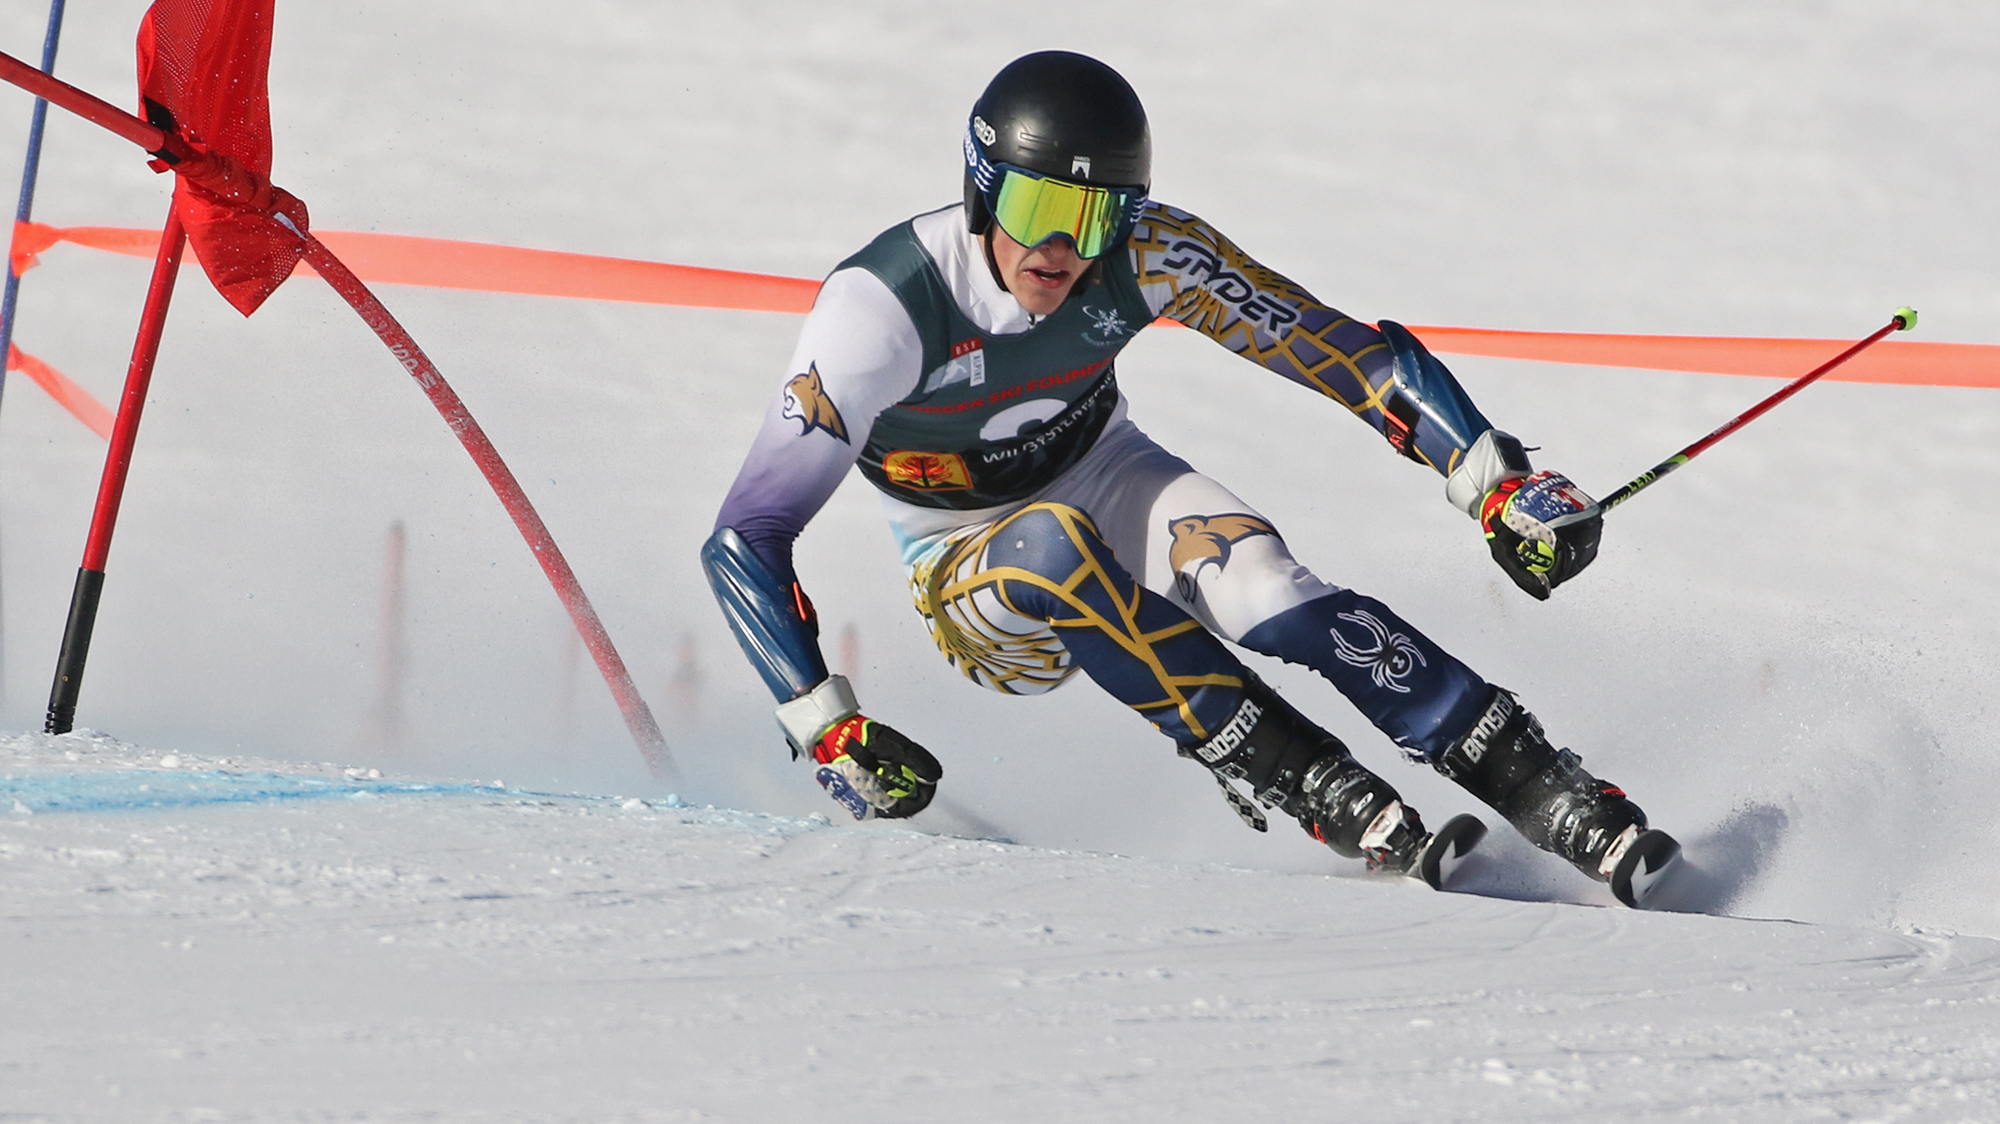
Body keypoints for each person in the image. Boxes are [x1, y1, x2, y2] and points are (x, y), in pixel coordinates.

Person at [703, 50, 1664, 894]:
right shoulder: (881, 310)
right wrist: (825, 725)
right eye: (1037, 209)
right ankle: (1301, 775)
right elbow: (747, 535)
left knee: (1273, 590)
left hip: (1104, 469)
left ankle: (1545, 787)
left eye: (1097, 217)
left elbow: (1338, 352)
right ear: (981, 189)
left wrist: (1493, 480)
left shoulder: (1155, 253)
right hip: (966, 565)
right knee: (1050, 546)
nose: (1061, 250)